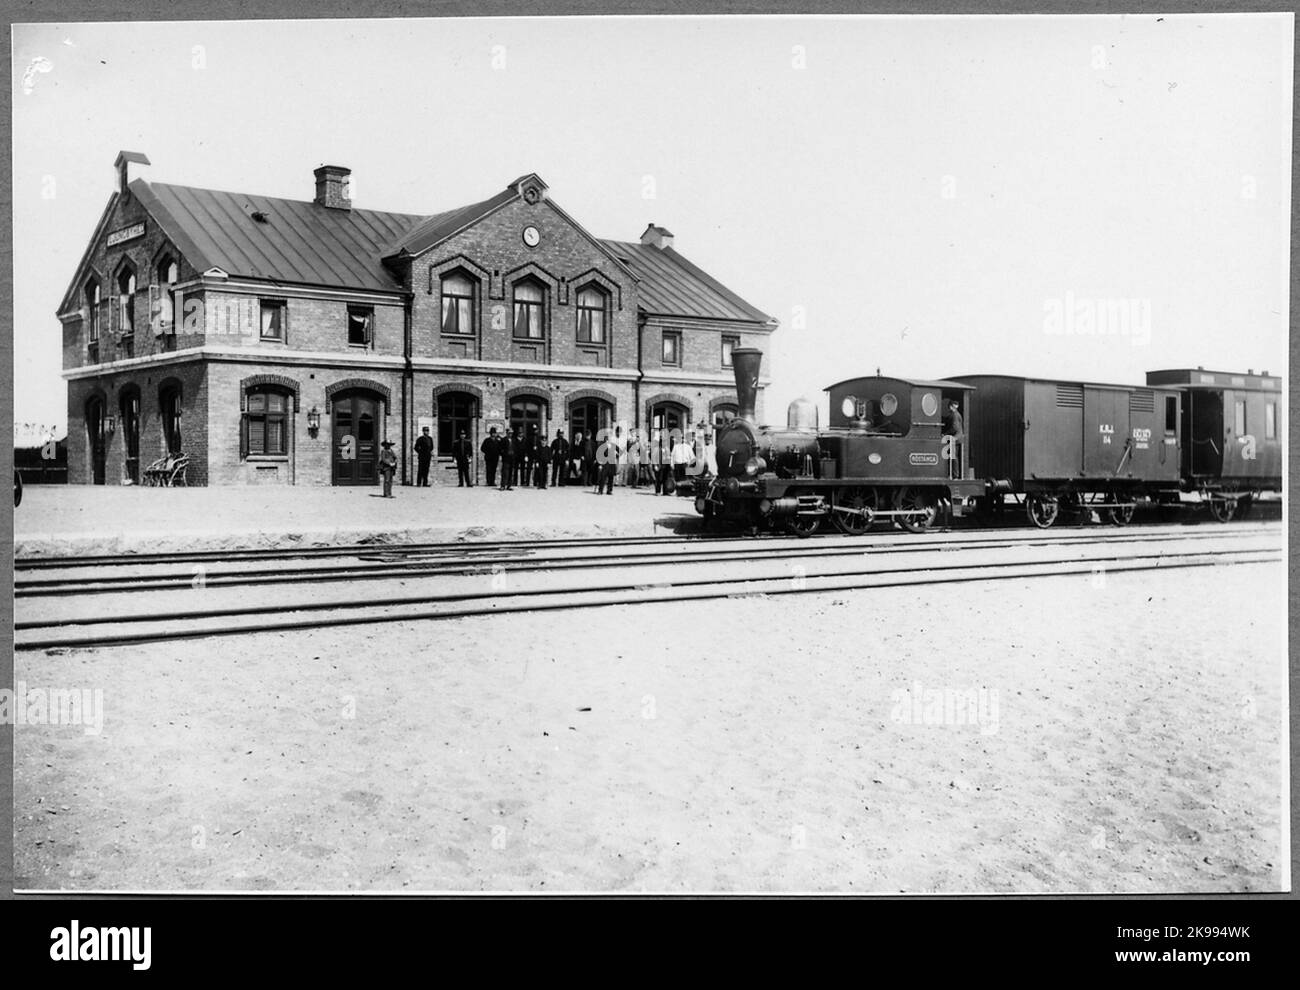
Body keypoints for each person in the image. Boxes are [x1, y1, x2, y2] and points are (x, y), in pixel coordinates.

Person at [942, 398, 965, 479]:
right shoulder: (955, 414)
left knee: (953, 457)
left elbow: (954, 428)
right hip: (956, 438)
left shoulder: (955, 415)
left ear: (951, 406)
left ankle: (955, 475)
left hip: (955, 439)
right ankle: (953, 474)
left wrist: (945, 434)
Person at [596, 430, 619, 495]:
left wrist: (616, 454)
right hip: (605, 463)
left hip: (612, 463)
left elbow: (620, 452)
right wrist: (600, 464)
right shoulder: (602, 446)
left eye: (610, 438)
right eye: (607, 438)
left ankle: (609, 490)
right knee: (603, 477)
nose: (608, 439)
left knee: (611, 477)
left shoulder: (613, 445)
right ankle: (600, 490)